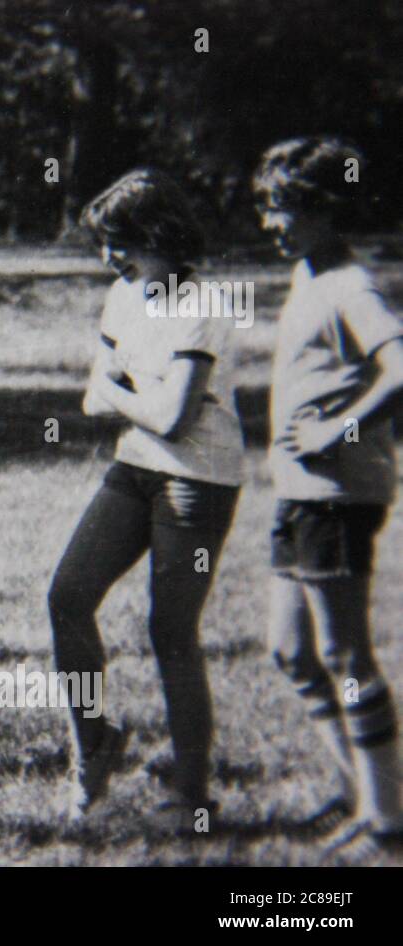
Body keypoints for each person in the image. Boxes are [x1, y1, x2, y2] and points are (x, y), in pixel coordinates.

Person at [48, 170, 243, 830]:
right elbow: (94, 393)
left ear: (159, 237)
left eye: (119, 242)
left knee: (171, 632)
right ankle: (95, 743)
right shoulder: (123, 296)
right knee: (67, 596)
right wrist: (135, 401)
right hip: (136, 468)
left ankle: (193, 796)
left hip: (198, 479)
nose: (109, 258)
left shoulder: (204, 305)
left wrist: (123, 397)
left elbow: (175, 417)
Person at [253, 137, 403, 850]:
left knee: (344, 655)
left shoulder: (350, 286)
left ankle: (386, 818)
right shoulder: (309, 276)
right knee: (288, 649)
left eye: (279, 208)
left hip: (338, 495)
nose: (268, 223)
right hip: (301, 494)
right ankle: (358, 793)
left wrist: (335, 435)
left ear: (321, 210)